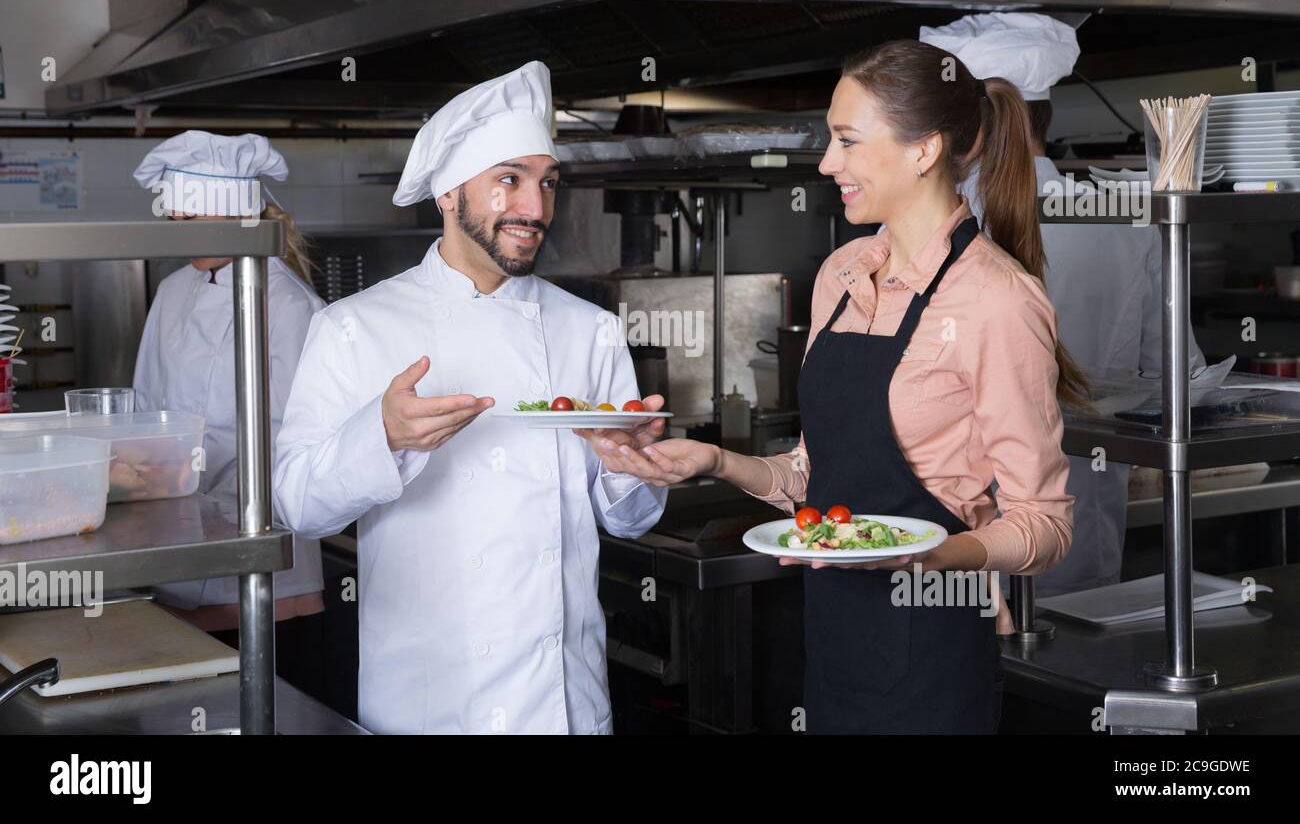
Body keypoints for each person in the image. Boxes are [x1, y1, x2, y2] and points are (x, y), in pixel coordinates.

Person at [594, 40, 1078, 734]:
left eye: (847, 140)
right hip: (833, 637)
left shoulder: (997, 300)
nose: (826, 163)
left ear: (923, 151)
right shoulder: (842, 275)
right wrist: (715, 462)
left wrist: (936, 554)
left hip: (933, 645)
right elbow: (817, 474)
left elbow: (1046, 523)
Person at [273, 62, 668, 735]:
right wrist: (383, 436)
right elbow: (295, 505)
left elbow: (628, 521)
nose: (536, 208)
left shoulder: (589, 330)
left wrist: (635, 470)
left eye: (547, 183)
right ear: (450, 194)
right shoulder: (355, 327)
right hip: (431, 704)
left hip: (565, 701)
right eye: (508, 180)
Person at [922, 13, 1207, 594]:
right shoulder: (1124, 221)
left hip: (955, 541)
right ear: (1043, 117)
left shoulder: (927, 226)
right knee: (1063, 674)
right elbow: (1180, 375)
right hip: (1080, 532)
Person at [131, 132, 327, 690]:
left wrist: (190, 473)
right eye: (178, 216)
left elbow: (300, 445)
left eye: (196, 215)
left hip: (263, 573)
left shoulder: (292, 305)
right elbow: (146, 404)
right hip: (175, 555)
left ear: (239, 214)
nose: (183, 228)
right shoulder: (171, 290)